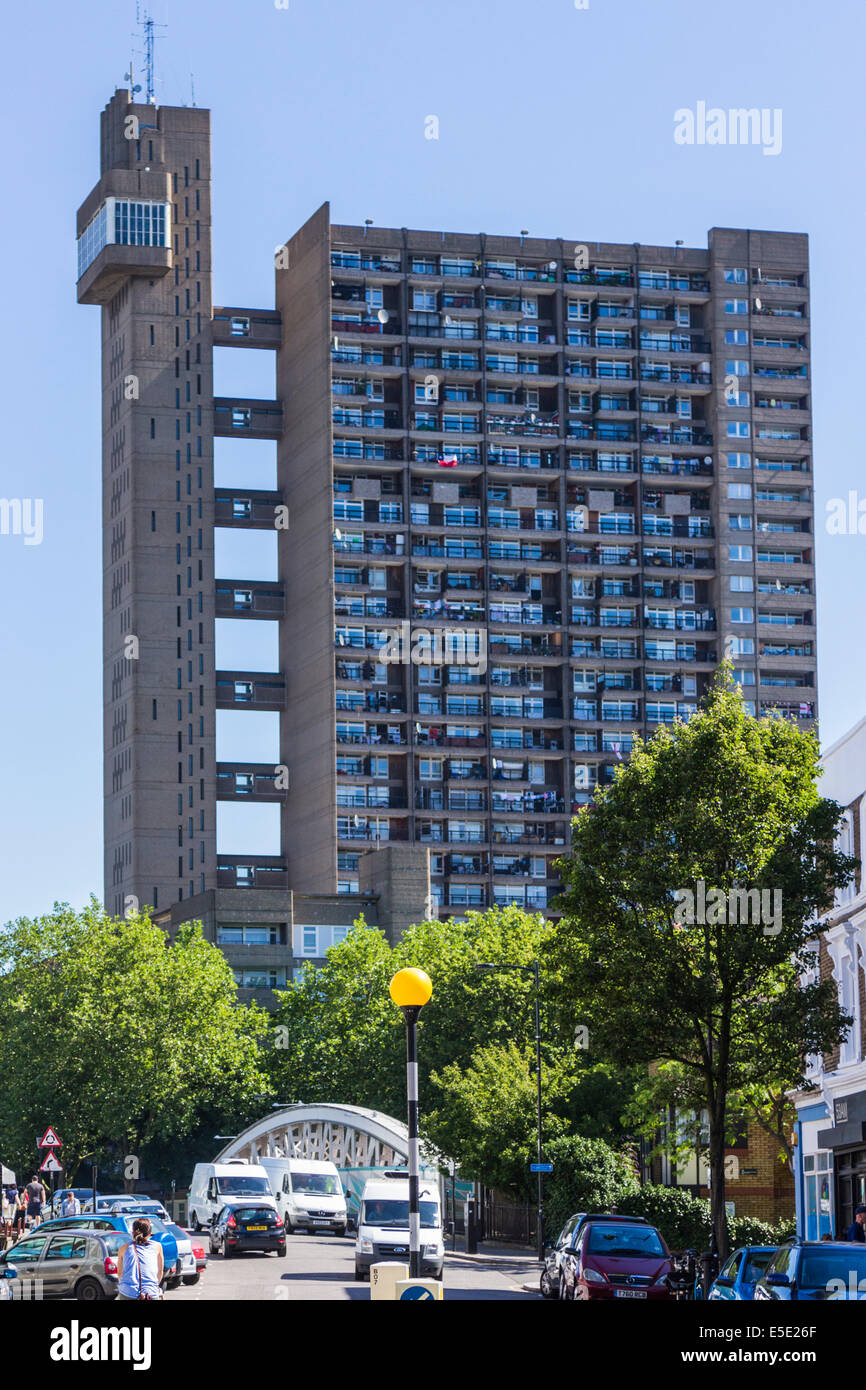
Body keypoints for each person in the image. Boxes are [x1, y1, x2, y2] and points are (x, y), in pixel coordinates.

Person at [116, 1217, 164, 1301]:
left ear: (132, 1232)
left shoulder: (123, 1248)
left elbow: (120, 1273)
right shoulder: (157, 1246)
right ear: (150, 1234)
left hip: (128, 1292)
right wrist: (152, 1286)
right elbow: (160, 1271)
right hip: (151, 1293)